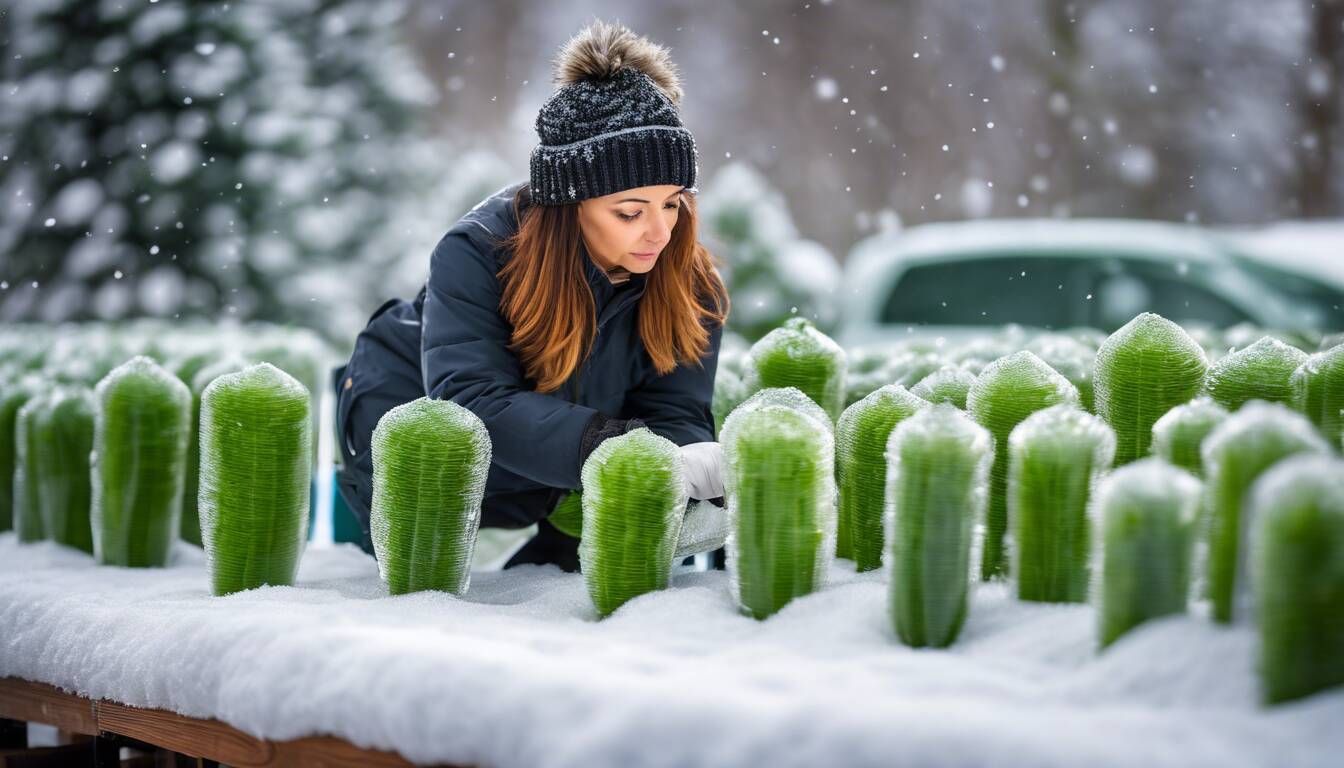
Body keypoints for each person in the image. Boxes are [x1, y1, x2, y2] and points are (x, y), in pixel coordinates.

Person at [333, 20, 730, 571]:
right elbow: (471, 400)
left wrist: (684, 457)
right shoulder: (476, 250)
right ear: (571, 205)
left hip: (564, 456)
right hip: (408, 420)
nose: (660, 233)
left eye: (673, 204)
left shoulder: (690, 282)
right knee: (397, 588)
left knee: (572, 589)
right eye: (630, 212)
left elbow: (672, 406)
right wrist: (610, 445)